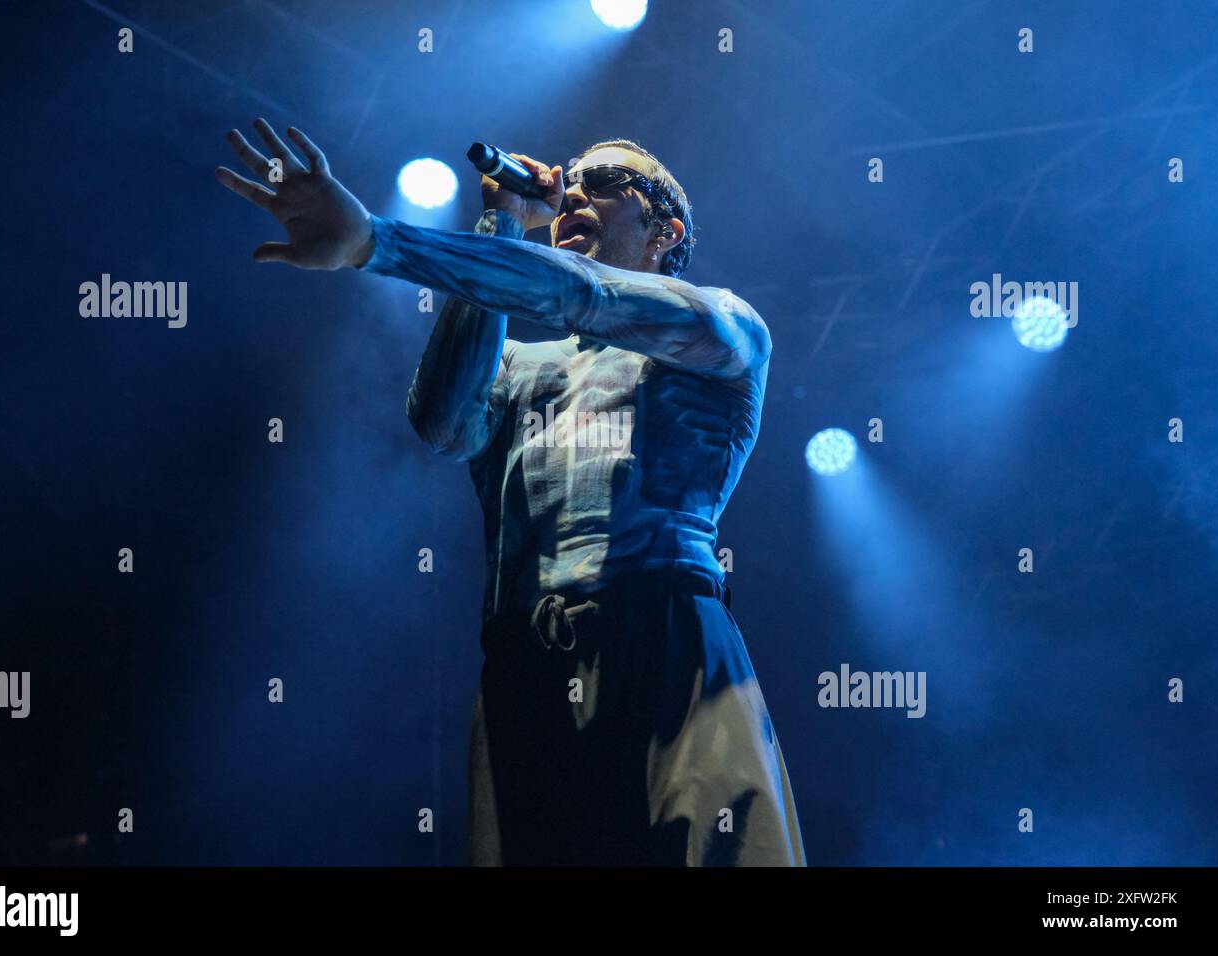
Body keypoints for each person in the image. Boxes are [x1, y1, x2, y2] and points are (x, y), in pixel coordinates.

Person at [216, 119, 806, 866]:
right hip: (524, 655)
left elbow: (587, 297)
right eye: (570, 181)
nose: (572, 194)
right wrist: (502, 223)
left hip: (664, 632)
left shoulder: (723, 326)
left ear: (666, 228)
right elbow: (441, 420)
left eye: (602, 183)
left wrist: (375, 241)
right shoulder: (522, 364)